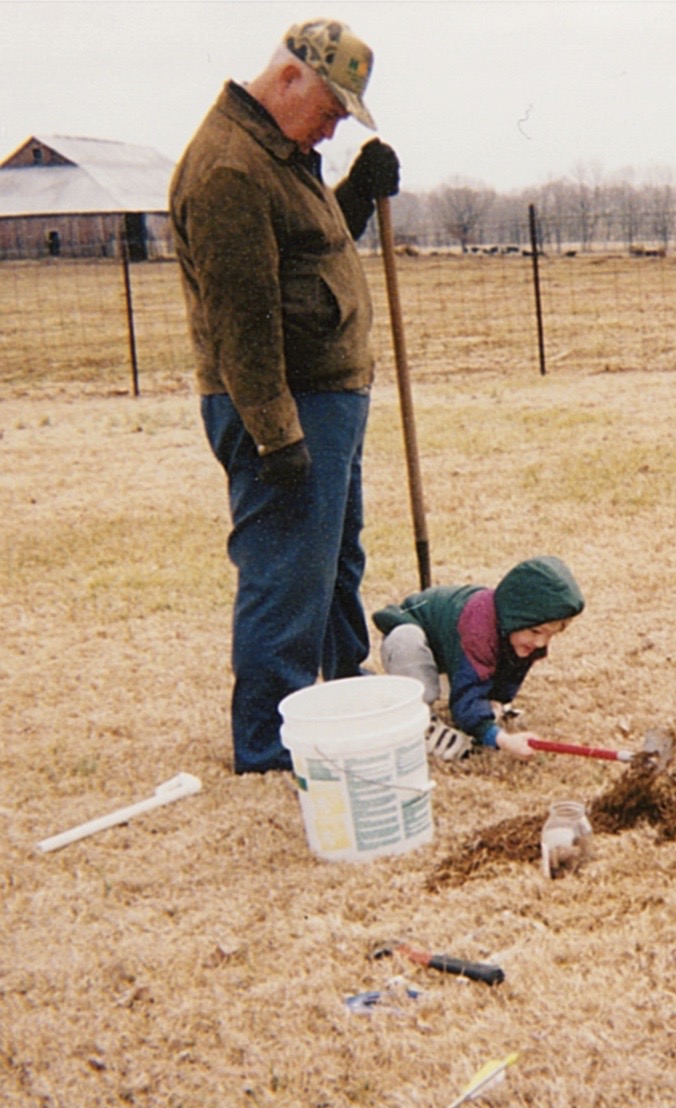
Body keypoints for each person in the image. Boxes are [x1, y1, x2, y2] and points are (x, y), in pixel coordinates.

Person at [169, 19, 400, 773]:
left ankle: (341, 689)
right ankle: (271, 742)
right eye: (332, 109)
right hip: (285, 406)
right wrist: (278, 437)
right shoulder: (229, 169)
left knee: (333, 560)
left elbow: (307, 254)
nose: (333, 129)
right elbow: (245, 324)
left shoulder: (280, 155)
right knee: (286, 573)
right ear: (291, 78)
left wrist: (356, 195)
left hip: (324, 397)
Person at [373, 557, 585, 760]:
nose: (541, 643)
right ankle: (421, 722)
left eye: (551, 634)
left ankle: (468, 695)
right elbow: (467, 698)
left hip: (452, 653)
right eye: (536, 631)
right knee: (406, 640)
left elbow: (511, 672)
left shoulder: (522, 634)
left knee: (477, 679)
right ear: (515, 617)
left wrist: (496, 700)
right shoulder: (477, 631)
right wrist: (501, 739)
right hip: (417, 638)